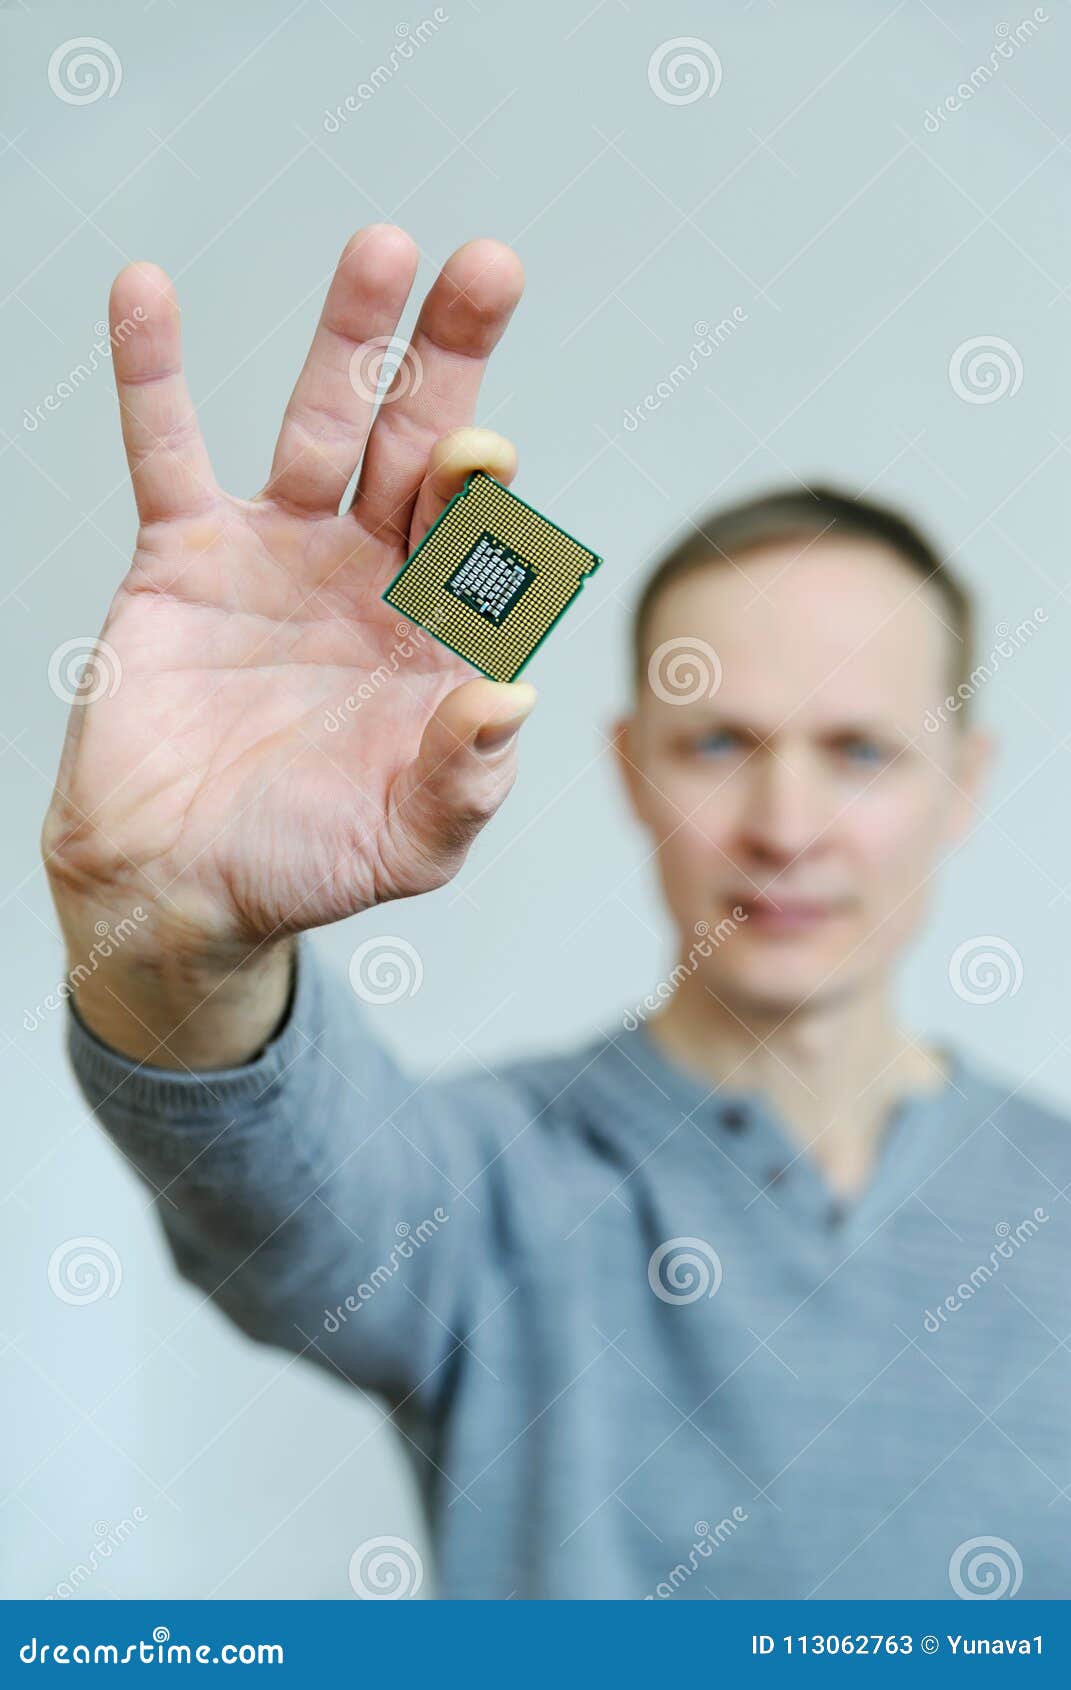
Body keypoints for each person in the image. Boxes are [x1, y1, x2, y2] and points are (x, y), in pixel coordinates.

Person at [44, 225, 1070, 1602]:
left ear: (965, 782)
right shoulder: (489, 1191)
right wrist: (181, 930)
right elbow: (277, 1179)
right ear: (631, 765)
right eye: (720, 744)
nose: (786, 821)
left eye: (862, 750)